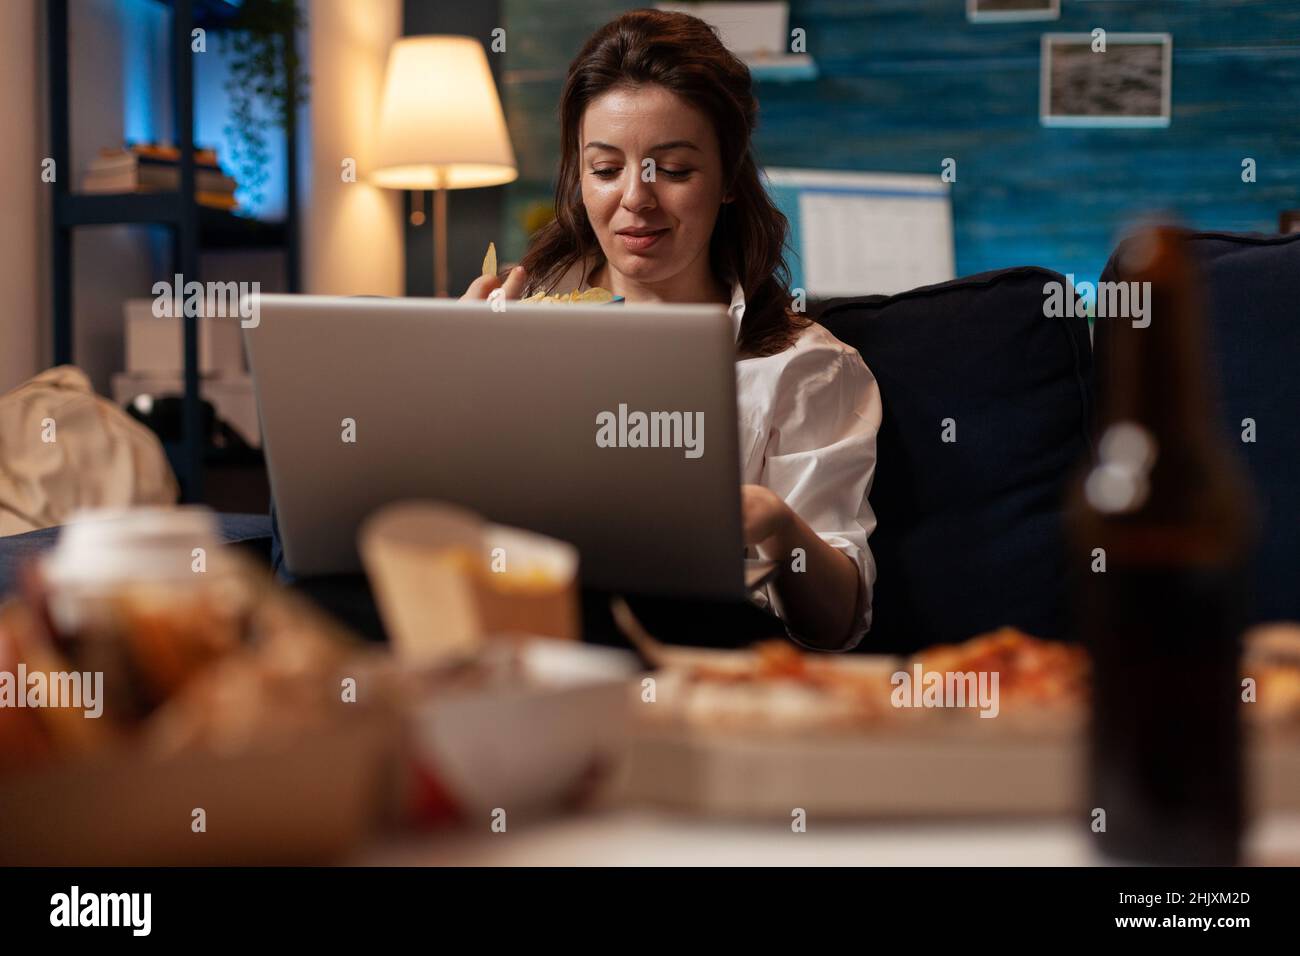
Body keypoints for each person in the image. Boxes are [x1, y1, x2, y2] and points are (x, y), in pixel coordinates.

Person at [462, 10, 880, 651]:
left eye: (675, 170)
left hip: (685, 640)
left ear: (730, 180)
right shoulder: (514, 323)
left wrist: (771, 520)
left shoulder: (804, 366)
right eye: (605, 169)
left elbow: (835, 621)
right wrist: (452, 376)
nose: (636, 197)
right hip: (515, 625)